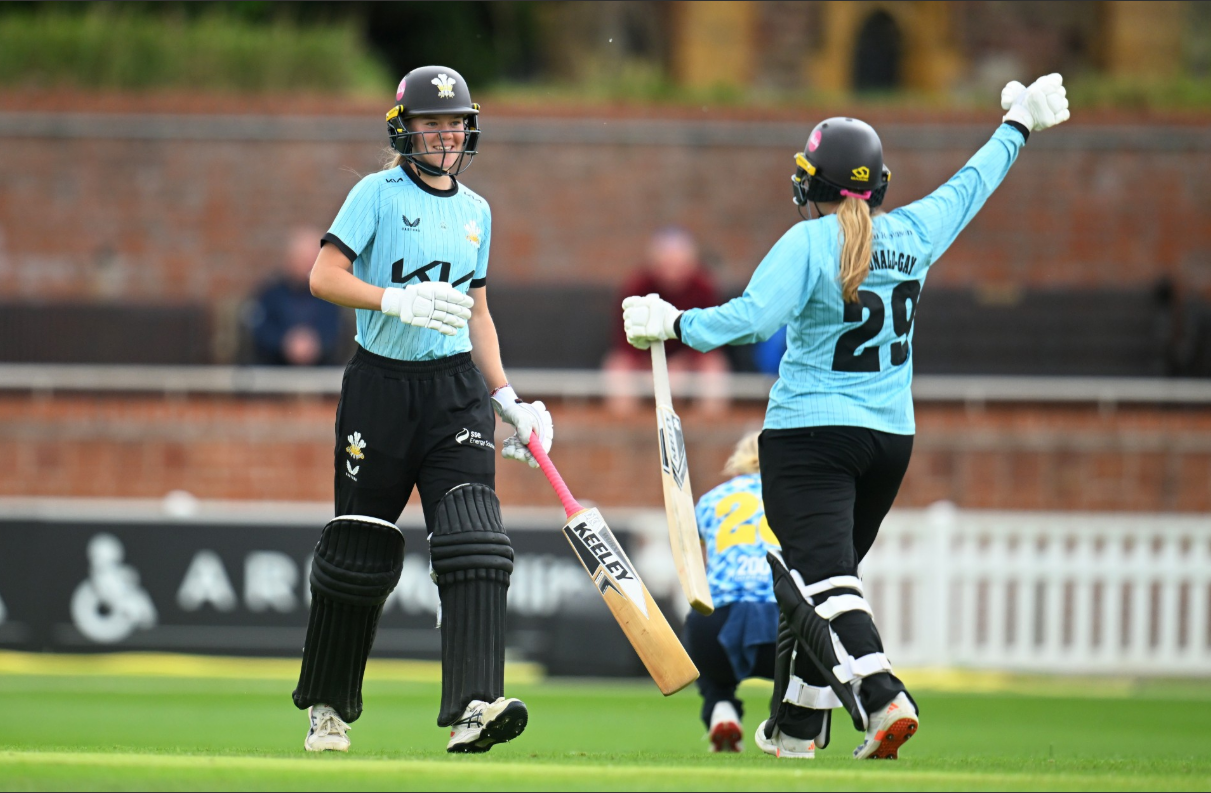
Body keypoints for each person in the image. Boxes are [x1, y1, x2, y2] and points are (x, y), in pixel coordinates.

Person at [623, 75, 1071, 759]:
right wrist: (1015, 126)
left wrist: (671, 319)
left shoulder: (806, 244)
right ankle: (798, 727)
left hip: (810, 435)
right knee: (823, 582)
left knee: (820, 580)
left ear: (811, 183)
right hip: (889, 439)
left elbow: (750, 320)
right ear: (878, 184)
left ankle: (881, 691)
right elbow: (971, 185)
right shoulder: (915, 229)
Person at [292, 65, 554, 755]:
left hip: (453, 391)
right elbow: (323, 276)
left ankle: (474, 703)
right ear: (404, 128)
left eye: (453, 123)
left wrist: (507, 398)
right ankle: (327, 705)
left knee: (474, 541)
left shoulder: (477, 212)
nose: (443, 135)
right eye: (431, 123)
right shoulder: (373, 194)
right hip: (379, 388)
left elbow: (480, 314)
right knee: (359, 552)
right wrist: (390, 299)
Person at [682, 431, 780, 753]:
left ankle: (721, 707)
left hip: (716, 624)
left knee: (709, 666)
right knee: (801, 674)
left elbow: (692, 555)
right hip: (780, 621)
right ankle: (789, 724)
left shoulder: (712, 499)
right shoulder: (792, 496)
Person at [602, 227, 730, 414]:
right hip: (645, 363)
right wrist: (654, 365)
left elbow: (711, 338)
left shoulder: (704, 288)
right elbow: (625, 341)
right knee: (616, 368)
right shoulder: (637, 287)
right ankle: (626, 433)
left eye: (679, 266)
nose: (673, 274)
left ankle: (707, 432)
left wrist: (682, 365)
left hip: (689, 365)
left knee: (715, 368)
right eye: (667, 266)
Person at [247, 227, 345, 366]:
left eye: (316, 260)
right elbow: (259, 331)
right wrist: (285, 343)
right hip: (274, 372)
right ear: (290, 260)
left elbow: (337, 333)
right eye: (305, 259)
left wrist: (315, 344)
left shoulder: (332, 297)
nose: (310, 266)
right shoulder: (270, 295)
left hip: (321, 373)